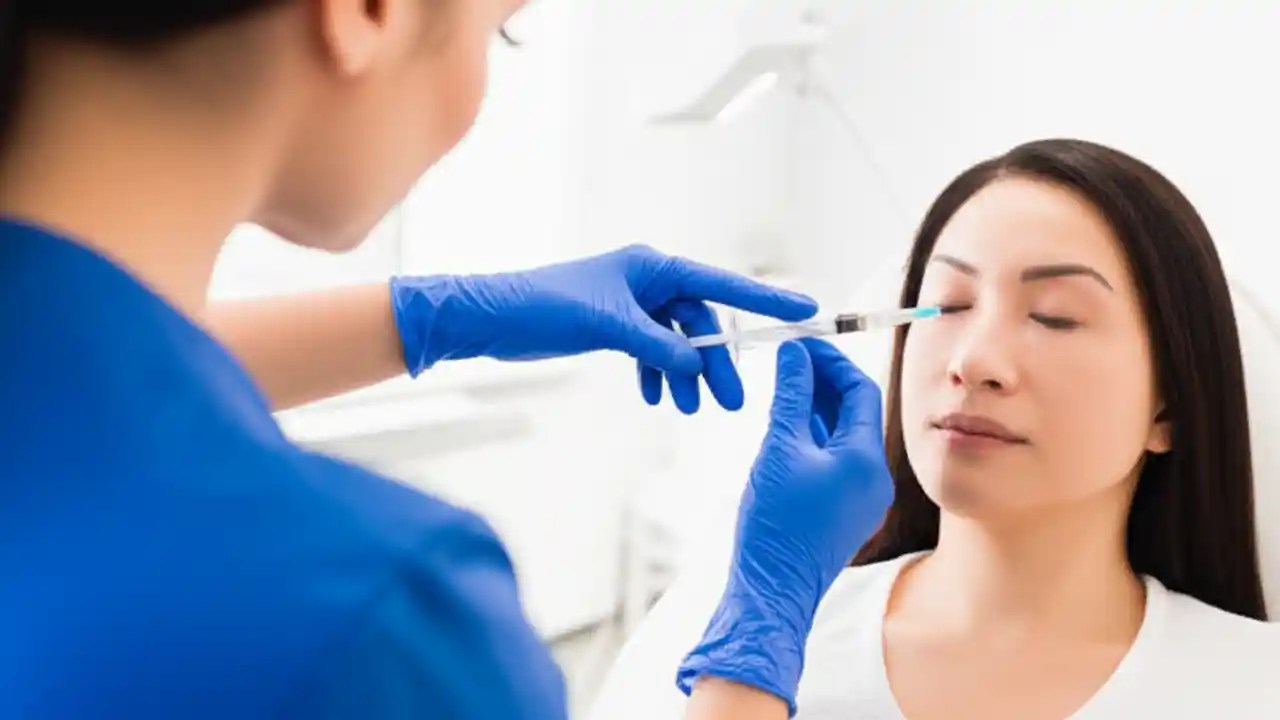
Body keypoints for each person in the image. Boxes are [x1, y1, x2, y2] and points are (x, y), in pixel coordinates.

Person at [0, 1, 893, 718]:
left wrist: (436, 318)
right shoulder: (369, 618)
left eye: (1045, 314)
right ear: (365, 11)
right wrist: (763, 627)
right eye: (500, 29)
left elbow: (91, 378)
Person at [590, 139, 1280, 720]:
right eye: (947, 305)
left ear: (1169, 409)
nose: (973, 360)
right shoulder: (771, 644)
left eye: (1055, 316)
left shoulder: (1250, 688)